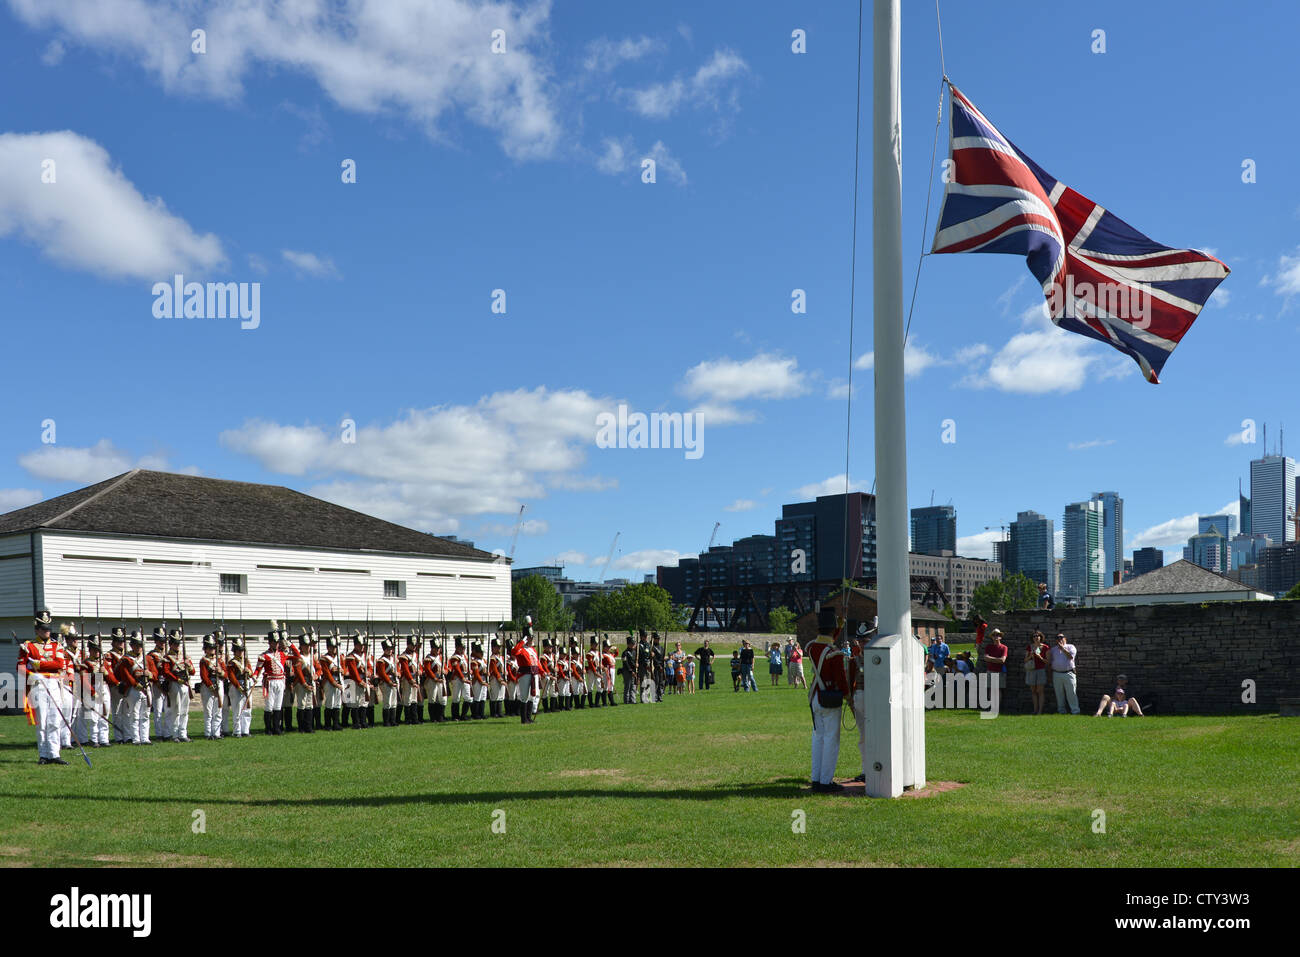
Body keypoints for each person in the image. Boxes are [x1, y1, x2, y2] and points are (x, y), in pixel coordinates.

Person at [19, 611, 72, 764]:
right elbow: (21, 667)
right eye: (43, 628)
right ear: (36, 629)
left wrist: (39, 663)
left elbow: (59, 665)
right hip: (38, 684)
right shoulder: (28, 646)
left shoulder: (57, 645)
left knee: (55, 720)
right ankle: (43, 754)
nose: (46, 631)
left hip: (54, 684)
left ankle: (55, 754)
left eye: (48, 628)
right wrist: (32, 673)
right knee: (42, 720)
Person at [807, 608, 849, 793]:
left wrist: (839, 624)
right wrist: (849, 697)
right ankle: (826, 781)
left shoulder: (811, 647)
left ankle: (816, 779)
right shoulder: (834, 653)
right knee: (831, 740)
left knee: (818, 739)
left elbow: (827, 639)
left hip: (816, 696)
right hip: (830, 697)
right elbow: (841, 680)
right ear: (832, 630)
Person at [255, 632, 287, 735]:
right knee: (269, 706)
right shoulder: (264, 656)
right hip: (270, 682)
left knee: (278, 706)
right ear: (270, 643)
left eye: (277, 642)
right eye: (274, 642)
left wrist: (289, 644)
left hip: (280, 681)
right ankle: (268, 729)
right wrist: (254, 677)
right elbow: (258, 669)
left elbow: (297, 655)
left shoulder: (282, 654)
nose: (276, 644)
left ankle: (276, 728)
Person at [512, 625, 541, 724]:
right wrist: (522, 641)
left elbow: (537, 663)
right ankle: (524, 719)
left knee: (532, 696)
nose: (531, 639)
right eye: (529, 637)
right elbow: (514, 651)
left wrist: (544, 672)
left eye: (531, 637)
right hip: (525, 674)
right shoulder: (521, 648)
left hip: (534, 674)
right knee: (524, 696)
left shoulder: (532, 650)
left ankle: (529, 717)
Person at [199, 636, 224, 740]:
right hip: (208, 687)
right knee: (208, 712)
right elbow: (204, 676)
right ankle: (208, 733)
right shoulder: (204, 661)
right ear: (205, 649)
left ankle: (216, 732)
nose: (211, 650)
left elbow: (225, 674)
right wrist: (211, 688)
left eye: (213, 648)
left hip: (219, 684)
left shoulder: (219, 661)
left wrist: (220, 672)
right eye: (209, 648)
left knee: (218, 711)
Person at [1048, 633, 1080, 714]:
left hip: (1068, 673)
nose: (1060, 639)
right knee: (1059, 694)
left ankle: (1075, 711)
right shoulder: (1053, 649)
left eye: (1061, 637)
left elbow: (1071, 657)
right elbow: (1049, 661)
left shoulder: (1071, 647)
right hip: (1056, 673)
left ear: (1065, 638)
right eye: (1058, 638)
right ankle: (1061, 711)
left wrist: (1063, 649)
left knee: (1071, 693)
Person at [1023, 632, 1048, 715]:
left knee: (1040, 691)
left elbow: (1048, 661)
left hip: (1040, 670)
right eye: (1034, 636)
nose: (1036, 637)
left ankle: (1040, 711)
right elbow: (1025, 660)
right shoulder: (1030, 647)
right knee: (1033, 691)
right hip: (1031, 670)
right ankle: (1035, 710)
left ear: (1041, 637)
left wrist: (1039, 657)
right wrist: (1031, 655)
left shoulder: (1045, 647)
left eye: (1038, 636)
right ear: (1032, 638)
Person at [983, 627, 1008, 694]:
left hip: (1000, 671)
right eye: (994, 635)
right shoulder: (988, 646)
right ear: (992, 637)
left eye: (997, 635)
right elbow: (985, 658)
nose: (996, 636)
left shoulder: (1004, 647)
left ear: (1000, 637)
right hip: (990, 670)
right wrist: (997, 659)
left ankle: (997, 704)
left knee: (998, 690)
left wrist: (990, 659)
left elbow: (1002, 660)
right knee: (991, 690)